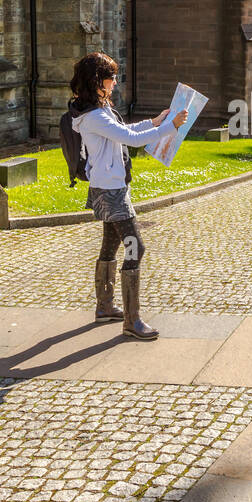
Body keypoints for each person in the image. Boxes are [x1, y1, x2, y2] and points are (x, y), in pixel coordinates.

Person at [69, 53, 187, 341]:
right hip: (110, 191)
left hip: (109, 186)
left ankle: (105, 306)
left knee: (110, 245)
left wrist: (155, 120)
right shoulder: (94, 116)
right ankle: (132, 321)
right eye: (111, 77)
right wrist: (170, 127)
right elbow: (132, 141)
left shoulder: (98, 112)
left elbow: (126, 132)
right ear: (97, 81)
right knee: (136, 247)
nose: (114, 82)